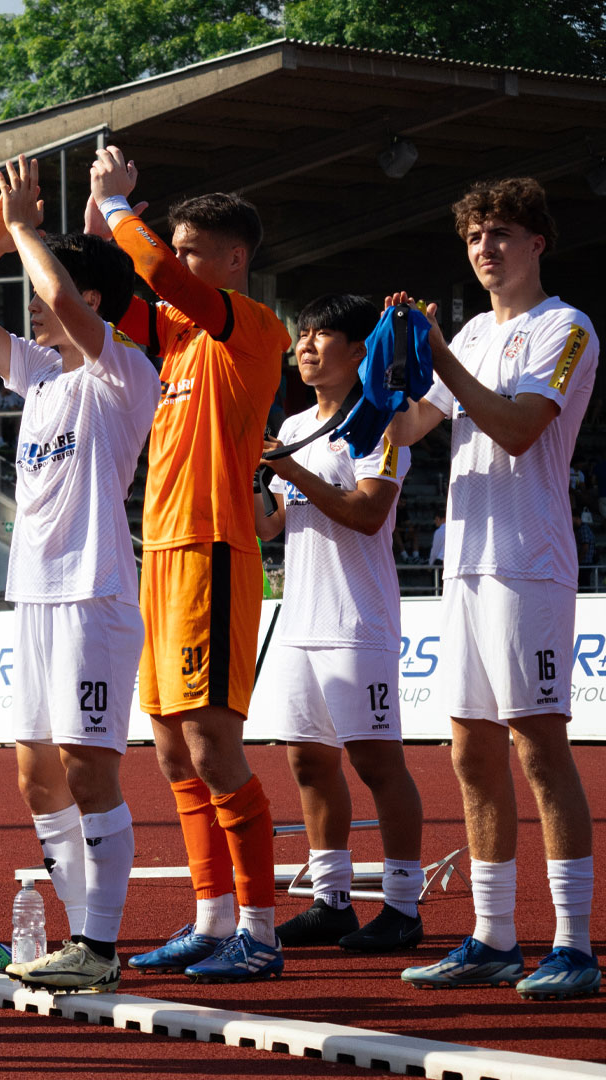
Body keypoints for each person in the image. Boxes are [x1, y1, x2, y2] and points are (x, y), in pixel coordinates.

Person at [0, 157, 156, 993]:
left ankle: (99, 947)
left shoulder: (121, 371)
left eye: (45, 287)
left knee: (88, 765)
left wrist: (31, 229)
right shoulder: (40, 374)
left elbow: (61, 299)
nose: (32, 304)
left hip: (92, 595)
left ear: (93, 301)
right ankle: (75, 939)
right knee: (35, 772)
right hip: (33, 596)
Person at [387, 178, 599, 999]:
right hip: (467, 564)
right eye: (476, 235)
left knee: (537, 748)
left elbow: (516, 428)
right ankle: (492, 937)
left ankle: (574, 945)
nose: (486, 248)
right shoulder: (472, 330)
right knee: (470, 750)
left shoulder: (566, 325)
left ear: (538, 242)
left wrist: (439, 358)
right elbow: (409, 429)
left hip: (528, 560)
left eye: (503, 233)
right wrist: (383, 375)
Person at [92, 146, 293, 982]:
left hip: (213, 547)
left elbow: (154, 275)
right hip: (162, 553)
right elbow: (104, 289)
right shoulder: (174, 338)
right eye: (172, 244)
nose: (175, 259)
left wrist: (117, 207)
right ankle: (212, 919)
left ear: (233, 258)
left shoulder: (250, 325)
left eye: (192, 247)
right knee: (173, 752)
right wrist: (79, 220)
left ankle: (261, 930)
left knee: (214, 749)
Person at [252, 293, 427, 954]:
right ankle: (331, 901)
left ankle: (404, 908)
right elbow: (272, 523)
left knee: (378, 764)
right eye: (302, 334)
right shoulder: (295, 421)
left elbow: (366, 514)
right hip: (297, 625)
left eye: (322, 335)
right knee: (307, 762)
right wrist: (247, 473)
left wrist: (285, 466)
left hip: (358, 623)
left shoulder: (376, 422)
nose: (306, 345)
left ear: (361, 351)